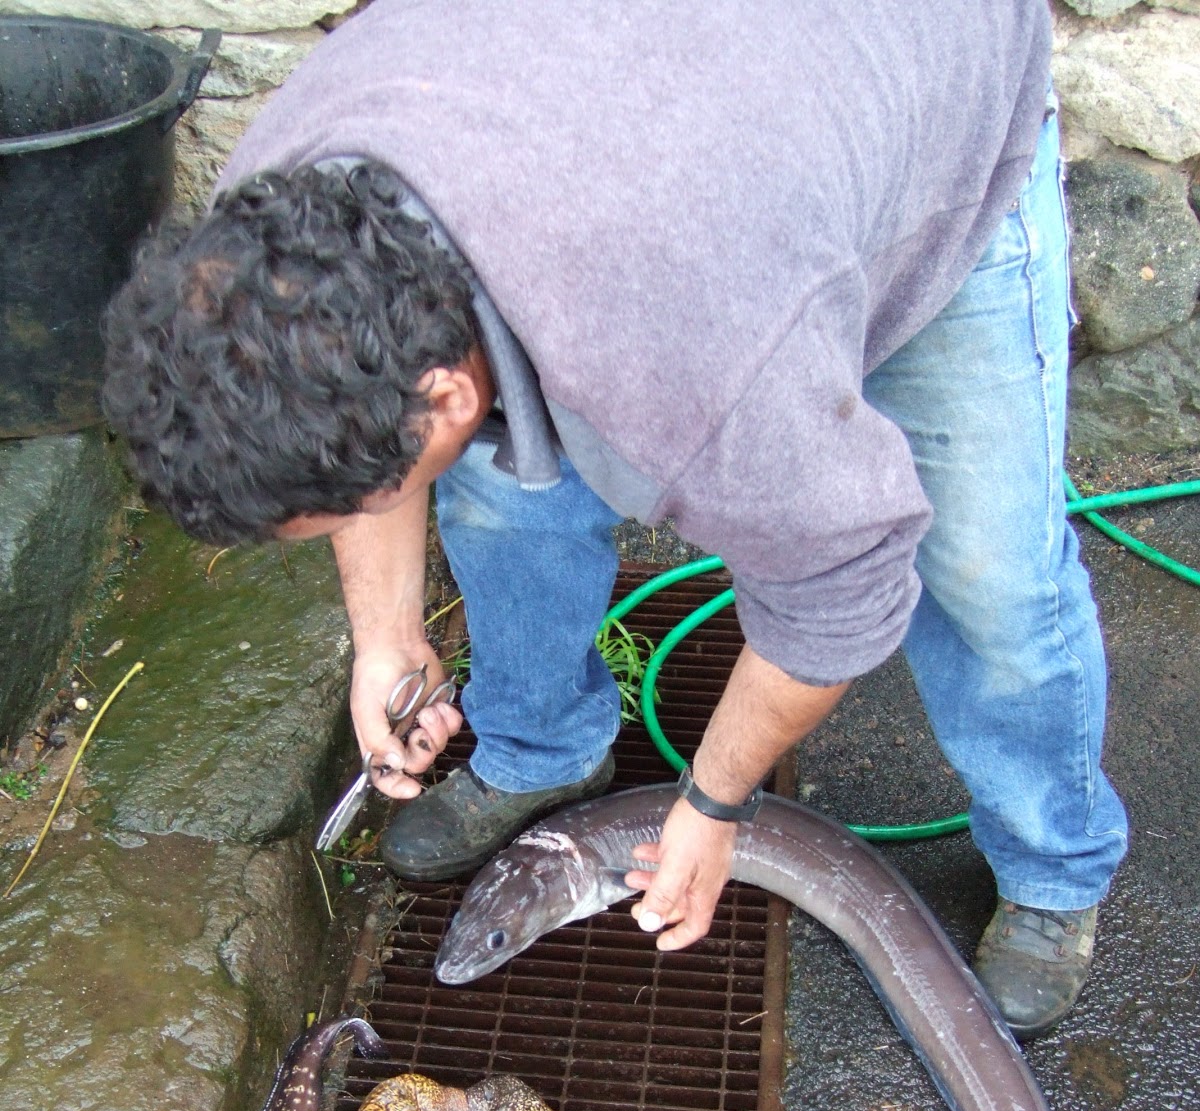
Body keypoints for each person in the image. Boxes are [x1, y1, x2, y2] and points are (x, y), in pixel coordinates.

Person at [102, 0, 1128, 1039]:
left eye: (344, 510)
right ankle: (542, 747)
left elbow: (844, 583)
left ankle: (1055, 861)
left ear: (449, 395)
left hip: (930, 118)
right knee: (503, 494)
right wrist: (386, 639)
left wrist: (716, 805)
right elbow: (353, 433)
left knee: (991, 573)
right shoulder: (261, 243)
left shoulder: (688, 347)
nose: (350, 521)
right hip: (675, 121)